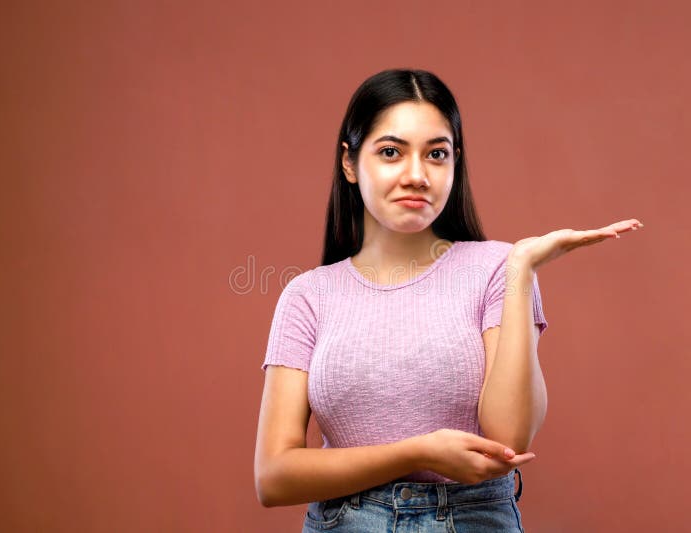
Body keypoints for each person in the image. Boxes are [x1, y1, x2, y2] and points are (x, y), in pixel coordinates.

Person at [254, 68, 643, 532]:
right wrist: (416, 452)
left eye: (436, 154)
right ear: (350, 163)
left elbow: (509, 437)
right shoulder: (309, 296)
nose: (417, 175)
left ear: (455, 163)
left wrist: (522, 268)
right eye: (391, 152)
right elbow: (273, 476)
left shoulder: (498, 268)